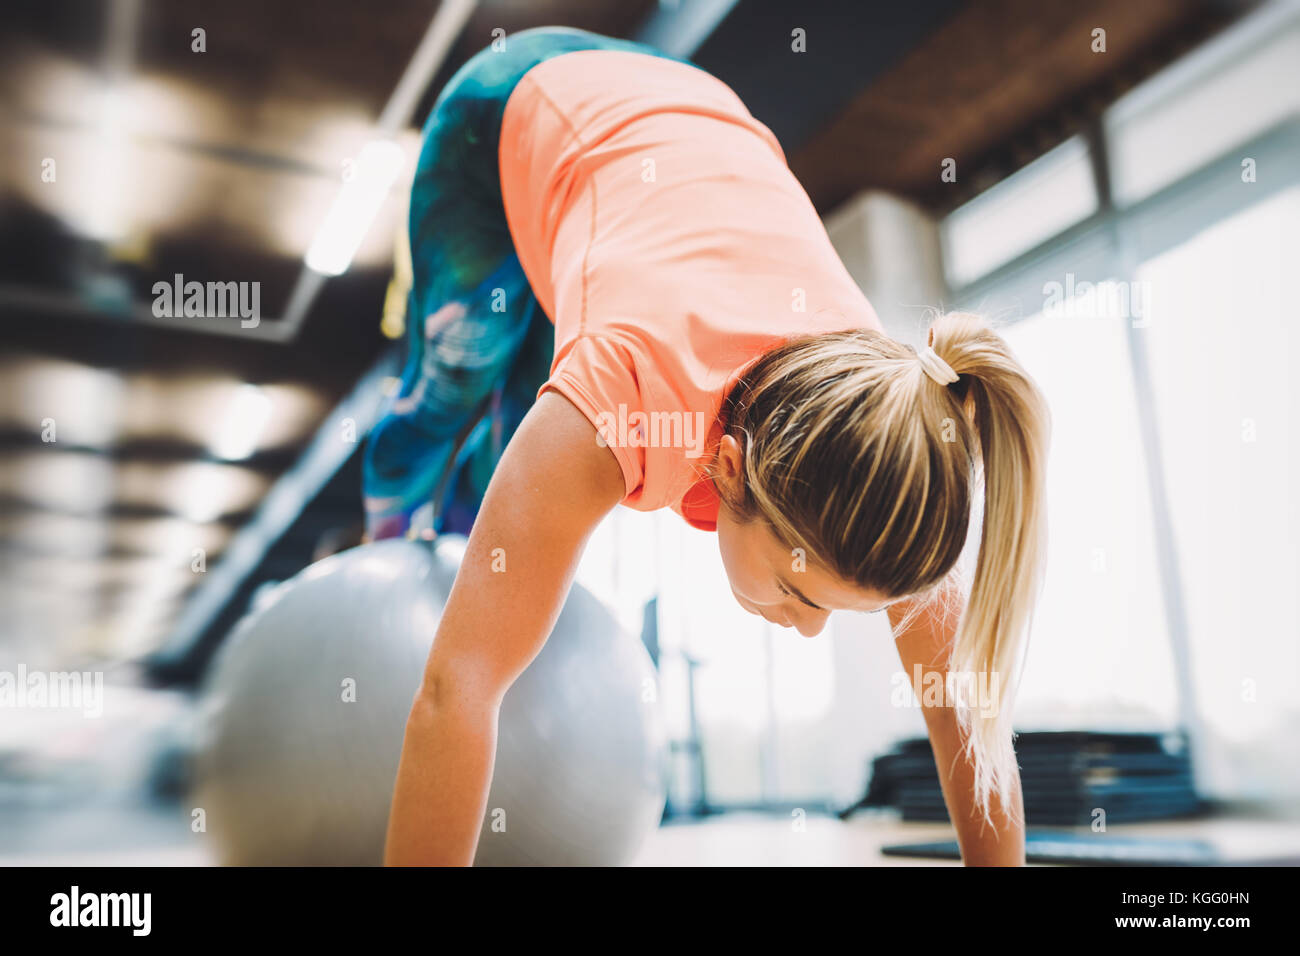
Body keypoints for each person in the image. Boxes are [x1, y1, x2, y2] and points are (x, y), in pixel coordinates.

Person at [376, 27, 1050, 866]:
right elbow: (455, 690)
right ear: (727, 466)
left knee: (520, 421)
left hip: (695, 120)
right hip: (521, 100)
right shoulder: (618, 400)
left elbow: (967, 724)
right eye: (802, 597)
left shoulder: (896, 462)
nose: (804, 632)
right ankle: (392, 526)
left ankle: (485, 503)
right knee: (461, 373)